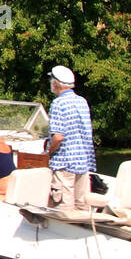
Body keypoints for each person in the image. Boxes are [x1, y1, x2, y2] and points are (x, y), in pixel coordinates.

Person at [44, 66, 96, 210]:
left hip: (64, 162)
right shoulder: (82, 101)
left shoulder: (58, 103)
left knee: (63, 206)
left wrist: (48, 152)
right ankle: (83, 230)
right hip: (83, 161)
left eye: (51, 80)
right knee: (82, 204)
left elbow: (58, 137)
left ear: (55, 83)